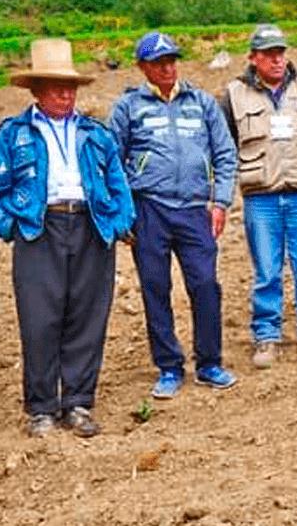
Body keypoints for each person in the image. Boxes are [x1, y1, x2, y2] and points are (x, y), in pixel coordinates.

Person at [0, 39, 135, 437]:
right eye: (56, 87)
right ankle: (42, 408)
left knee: (87, 315)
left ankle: (78, 403)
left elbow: (119, 185)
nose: (66, 95)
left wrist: (116, 224)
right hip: (39, 230)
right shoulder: (12, 135)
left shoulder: (95, 135)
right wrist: (13, 228)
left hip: (90, 227)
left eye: (71, 88)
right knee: (39, 319)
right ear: (36, 91)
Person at [109, 31, 239, 399]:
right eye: (158, 63)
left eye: (171, 61)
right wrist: (124, 213)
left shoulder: (201, 102)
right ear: (142, 67)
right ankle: (168, 366)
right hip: (149, 210)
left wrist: (221, 201)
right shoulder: (128, 107)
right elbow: (111, 164)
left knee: (205, 285)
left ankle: (209, 363)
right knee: (155, 288)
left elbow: (225, 155)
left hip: (195, 210)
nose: (167, 68)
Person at [220, 25, 297, 370]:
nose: (277, 59)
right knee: (266, 270)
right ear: (253, 58)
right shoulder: (234, 94)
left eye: (281, 52)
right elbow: (225, 144)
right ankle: (266, 336)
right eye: (269, 54)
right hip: (261, 197)